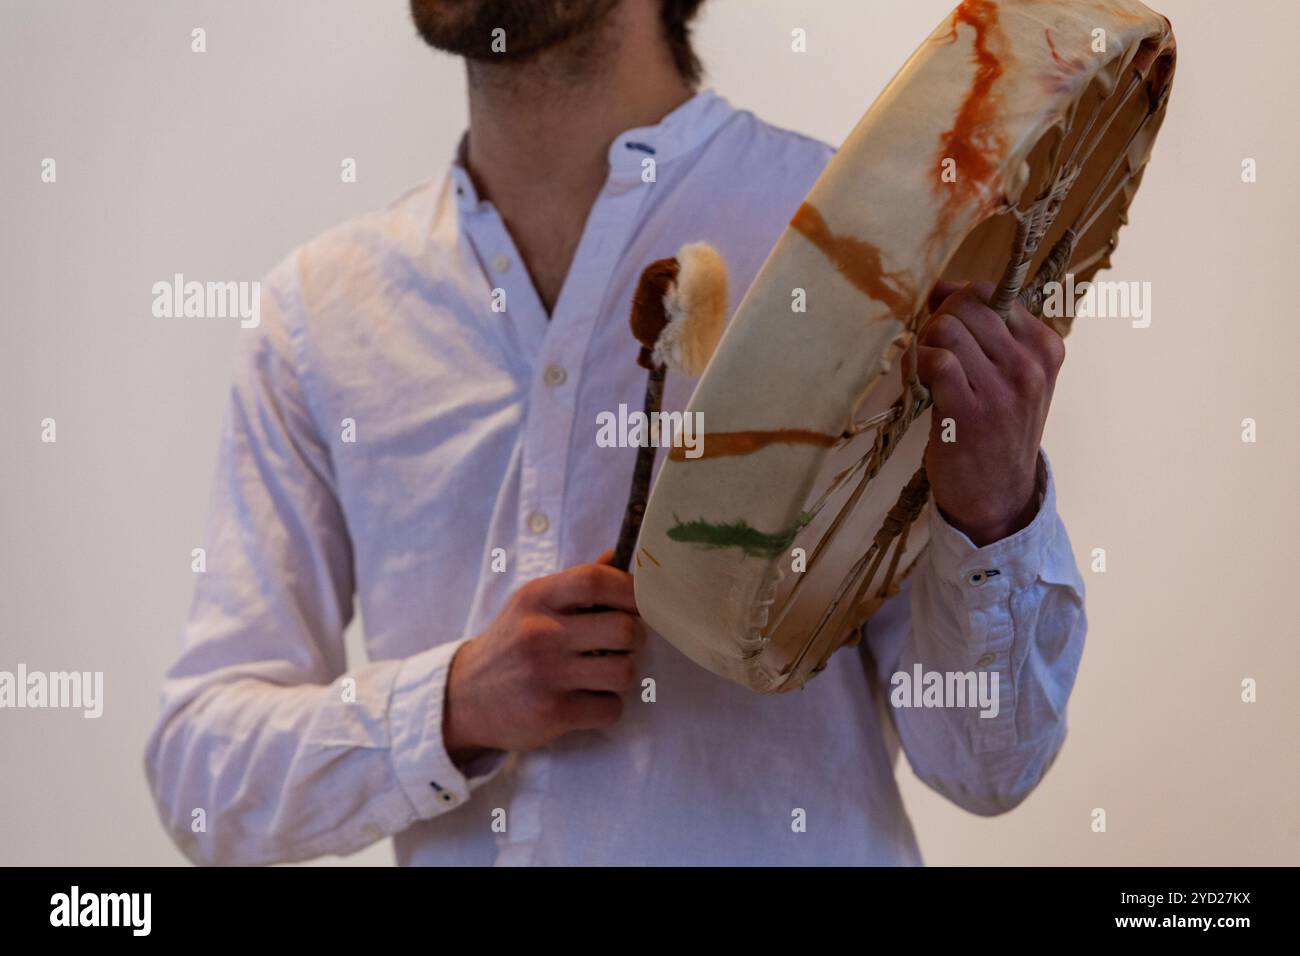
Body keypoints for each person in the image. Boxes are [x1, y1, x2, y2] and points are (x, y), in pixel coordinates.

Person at [145, 0, 1085, 865]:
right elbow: (201, 780)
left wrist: (995, 510)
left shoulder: (863, 249)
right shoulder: (320, 313)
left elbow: (986, 768)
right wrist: (452, 706)